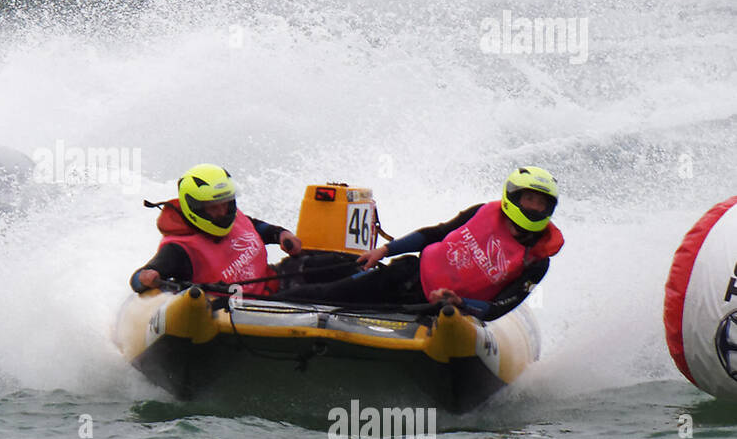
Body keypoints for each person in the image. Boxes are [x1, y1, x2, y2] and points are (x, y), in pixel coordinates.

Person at [279, 168, 565, 321]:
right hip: (406, 276)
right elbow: (435, 233)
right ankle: (261, 305)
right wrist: (386, 249)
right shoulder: (484, 212)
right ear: (513, 198)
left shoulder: (538, 260)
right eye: (529, 200)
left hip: (438, 312)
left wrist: (459, 303)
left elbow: (500, 308)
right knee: (325, 294)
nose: (534, 208)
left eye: (541, 204)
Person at [131, 164, 302, 296]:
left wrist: (281, 234)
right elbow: (138, 280)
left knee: (326, 266)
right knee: (326, 293)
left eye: (226, 203)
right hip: (242, 310)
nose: (222, 212)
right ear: (195, 208)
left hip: (274, 282)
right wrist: (145, 278)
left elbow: (256, 228)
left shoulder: (231, 217)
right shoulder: (179, 249)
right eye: (213, 207)